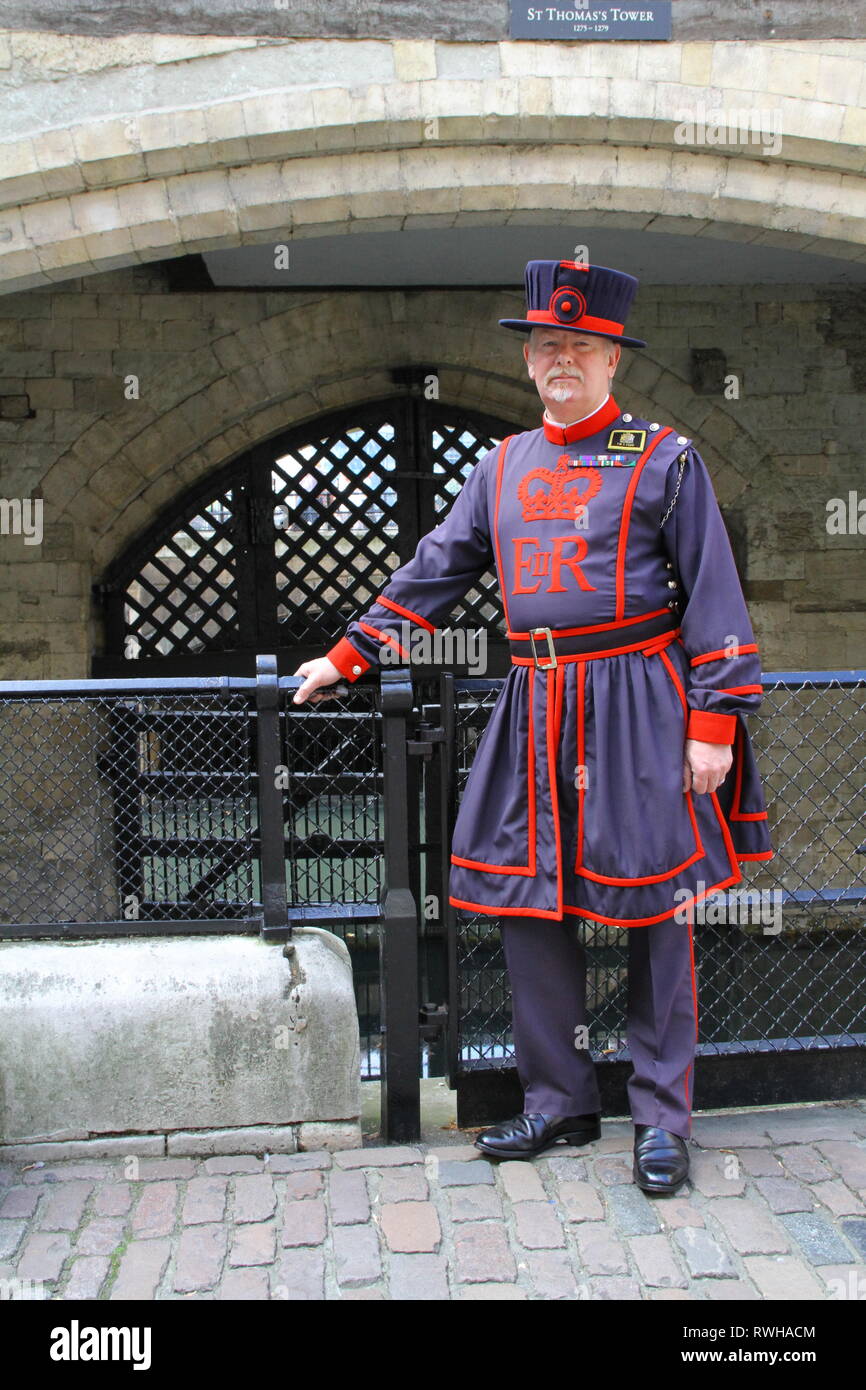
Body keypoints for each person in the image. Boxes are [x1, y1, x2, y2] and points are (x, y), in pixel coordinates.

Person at [293, 259, 773, 1194]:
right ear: (530, 363)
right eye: (547, 346)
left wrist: (713, 719)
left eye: (580, 347)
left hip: (640, 701)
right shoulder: (502, 466)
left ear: (611, 361)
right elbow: (436, 569)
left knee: (655, 916)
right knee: (528, 907)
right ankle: (557, 1100)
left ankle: (660, 1119)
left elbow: (715, 590)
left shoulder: (665, 459)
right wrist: (348, 656)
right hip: (535, 701)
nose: (562, 361)